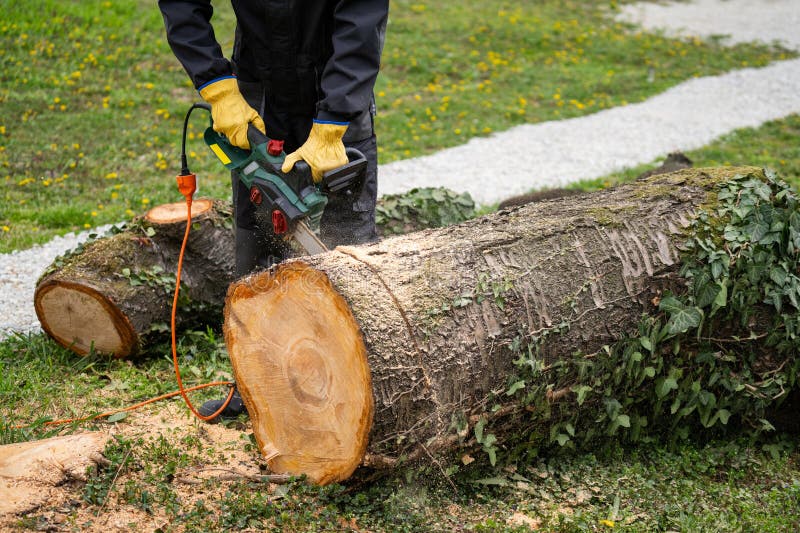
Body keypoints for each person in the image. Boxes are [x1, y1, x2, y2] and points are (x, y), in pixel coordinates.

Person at [158, 0, 389, 421]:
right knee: (256, 252)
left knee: (349, 248)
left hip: (335, 91)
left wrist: (336, 116)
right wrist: (219, 86)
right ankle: (257, 383)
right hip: (257, 94)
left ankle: (366, 395)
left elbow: (363, 13)